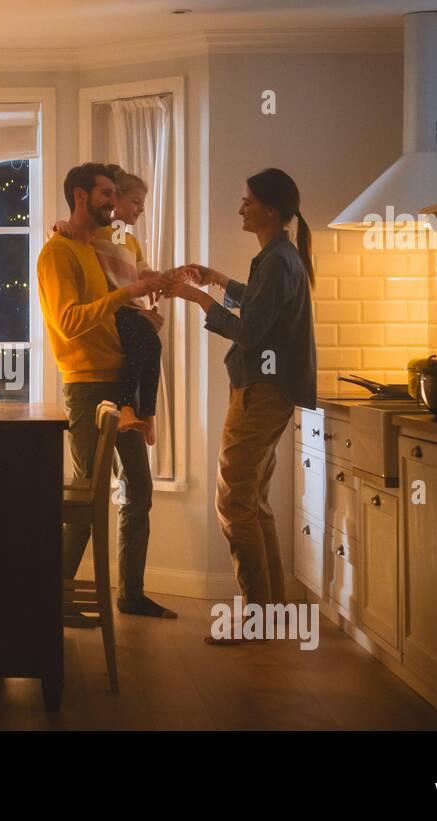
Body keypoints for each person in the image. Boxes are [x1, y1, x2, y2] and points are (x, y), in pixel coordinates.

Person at [165, 168, 317, 643]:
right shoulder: (280, 256)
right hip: (270, 390)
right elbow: (260, 308)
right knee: (253, 502)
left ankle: (257, 618)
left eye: (247, 201)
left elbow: (250, 333)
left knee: (233, 502)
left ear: (269, 210)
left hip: (262, 391)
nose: (241, 208)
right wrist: (216, 280)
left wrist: (195, 298)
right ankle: (271, 613)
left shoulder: (277, 261)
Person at [37, 162, 178, 619]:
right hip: (87, 386)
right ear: (80, 196)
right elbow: (71, 322)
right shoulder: (57, 253)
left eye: (117, 195)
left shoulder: (94, 246)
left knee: (138, 487)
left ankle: (130, 594)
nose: (113, 203)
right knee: (88, 494)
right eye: (105, 194)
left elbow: (118, 295)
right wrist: (129, 295)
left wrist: (140, 299)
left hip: (120, 383)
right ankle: (56, 598)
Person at [52, 167, 181, 444]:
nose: (141, 209)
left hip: (131, 308)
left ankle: (145, 413)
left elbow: (144, 275)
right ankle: (128, 408)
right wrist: (60, 226)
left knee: (151, 347)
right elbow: (70, 231)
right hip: (117, 309)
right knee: (146, 346)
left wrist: (169, 277)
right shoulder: (97, 234)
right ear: (117, 201)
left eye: (143, 204)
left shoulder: (131, 242)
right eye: (135, 202)